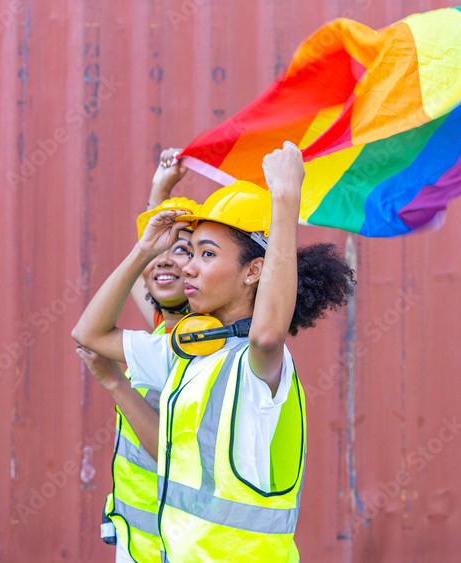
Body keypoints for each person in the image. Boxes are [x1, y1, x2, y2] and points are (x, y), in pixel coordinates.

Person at [72, 142, 355, 562]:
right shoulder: (186, 351)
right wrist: (145, 249)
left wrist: (285, 198)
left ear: (253, 272)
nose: (187, 265)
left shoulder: (256, 363)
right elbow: (89, 333)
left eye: (206, 254)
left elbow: (265, 335)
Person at [76, 149, 196, 563]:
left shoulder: (191, 347)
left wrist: (113, 382)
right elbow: (156, 270)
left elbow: (89, 333)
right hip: (141, 539)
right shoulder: (169, 329)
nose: (164, 258)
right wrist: (160, 190)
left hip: (170, 546)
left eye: (184, 251)